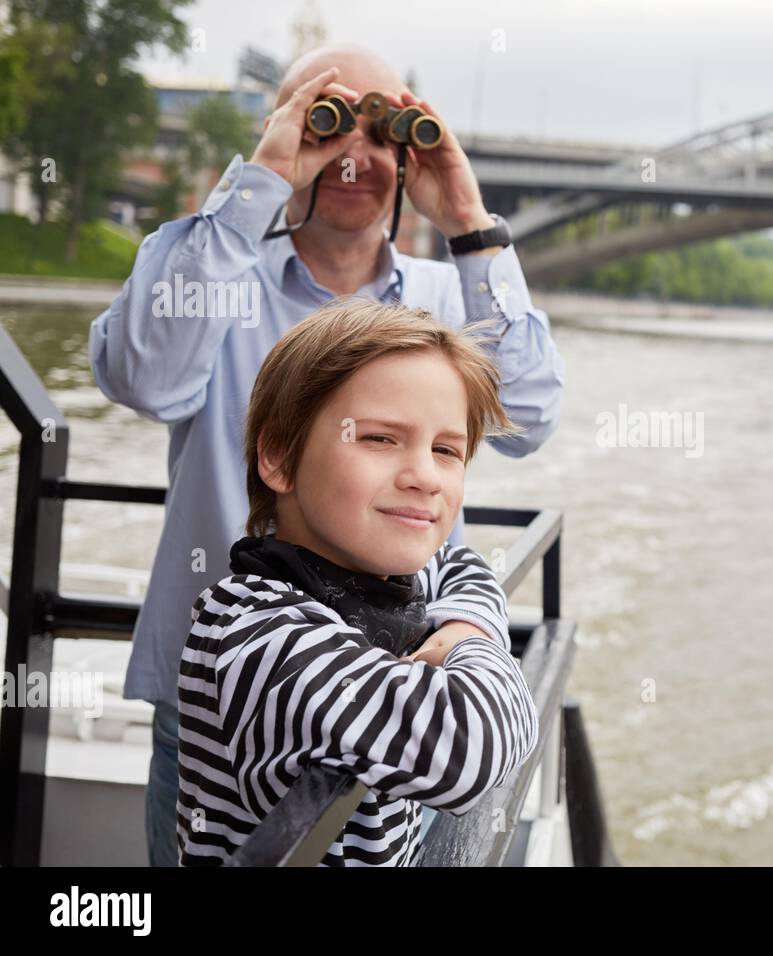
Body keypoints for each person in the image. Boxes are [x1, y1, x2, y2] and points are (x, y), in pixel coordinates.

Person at [86, 44, 564, 866]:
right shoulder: (222, 275)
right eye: (324, 120)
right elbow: (140, 374)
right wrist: (260, 180)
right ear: (281, 133)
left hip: (402, 688)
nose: (355, 154)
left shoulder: (447, 297)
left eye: (385, 131)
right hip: (233, 691)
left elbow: (526, 416)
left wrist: (467, 219)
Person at [178, 299, 539, 866]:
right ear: (279, 456)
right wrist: (475, 644)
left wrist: (463, 619)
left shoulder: (381, 574)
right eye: (378, 439)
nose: (423, 476)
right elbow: (474, 747)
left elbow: (459, 562)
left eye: (446, 450)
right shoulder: (263, 634)